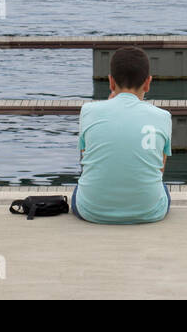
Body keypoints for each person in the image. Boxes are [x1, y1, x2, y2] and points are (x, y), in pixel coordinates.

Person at [72, 46, 172, 224]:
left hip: (91, 210)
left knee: (81, 185)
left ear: (111, 82)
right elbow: (159, 170)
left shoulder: (88, 111)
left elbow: (86, 163)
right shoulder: (163, 117)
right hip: (149, 210)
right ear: (148, 82)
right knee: (161, 186)